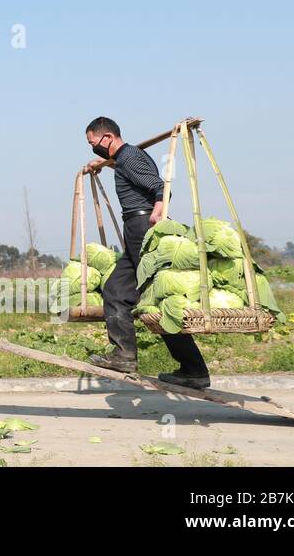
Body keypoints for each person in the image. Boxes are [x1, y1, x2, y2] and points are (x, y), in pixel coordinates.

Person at [84, 116, 211, 388]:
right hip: (133, 228)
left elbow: (159, 187)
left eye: (94, 144)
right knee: (116, 291)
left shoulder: (131, 157)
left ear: (108, 138)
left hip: (142, 226)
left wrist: (157, 209)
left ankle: (194, 369)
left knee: (155, 301)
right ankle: (124, 356)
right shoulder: (124, 159)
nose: (93, 148)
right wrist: (103, 163)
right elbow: (128, 169)